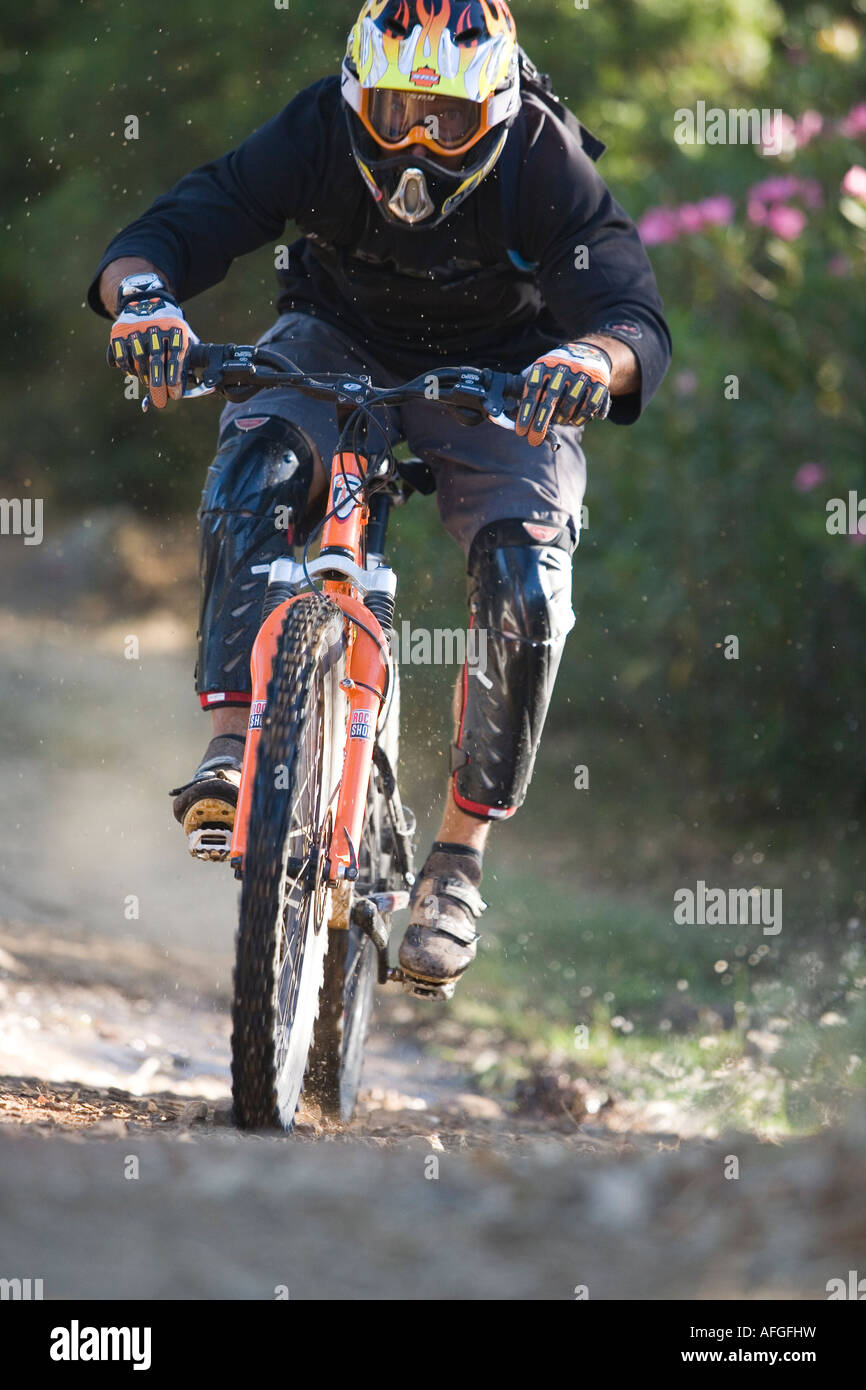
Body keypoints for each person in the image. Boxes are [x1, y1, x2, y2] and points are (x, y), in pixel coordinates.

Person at [87, 0, 671, 996]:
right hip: (331, 341)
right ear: (355, 95)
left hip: (504, 375)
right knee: (253, 470)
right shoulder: (314, 128)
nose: (413, 144)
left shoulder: (543, 159)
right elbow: (176, 227)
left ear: (495, 112)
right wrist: (145, 301)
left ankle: (456, 859)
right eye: (393, 111)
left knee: (525, 585)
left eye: (444, 121)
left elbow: (632, 316)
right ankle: (231, 748)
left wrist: (590, 358)